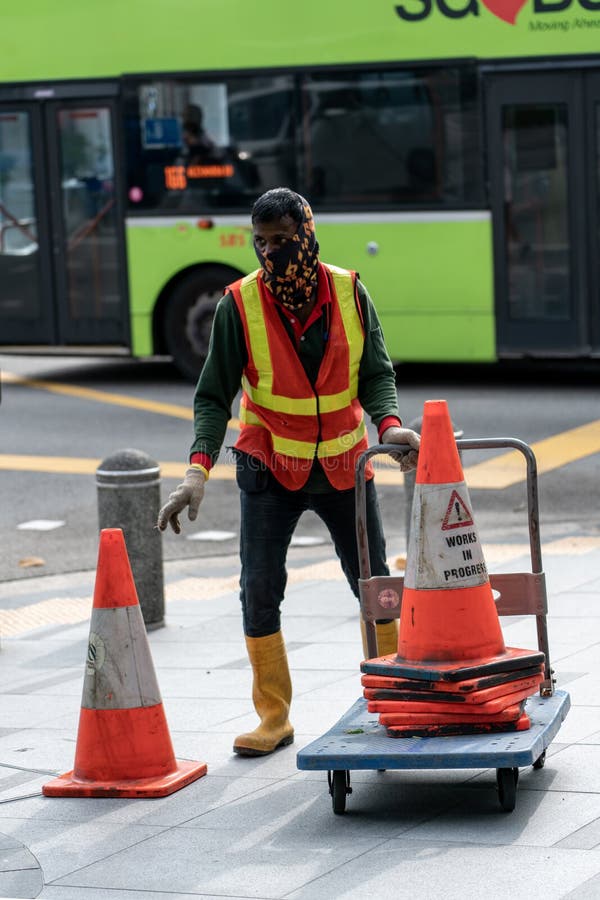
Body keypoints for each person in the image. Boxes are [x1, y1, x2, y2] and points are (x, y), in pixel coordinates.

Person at [157, 187, 420, 757]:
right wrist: (197, 470)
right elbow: (213, 396)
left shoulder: (350, 291)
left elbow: (376, 371)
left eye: (282, 240)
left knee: (374, 591)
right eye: (262, 242)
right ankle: (273, 717)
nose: (272, 252)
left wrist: (390, 426)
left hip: (344, 466)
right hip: (269, 463)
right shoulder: (238, 304)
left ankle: (391, 697)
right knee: (259, 590)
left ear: (307, 233)